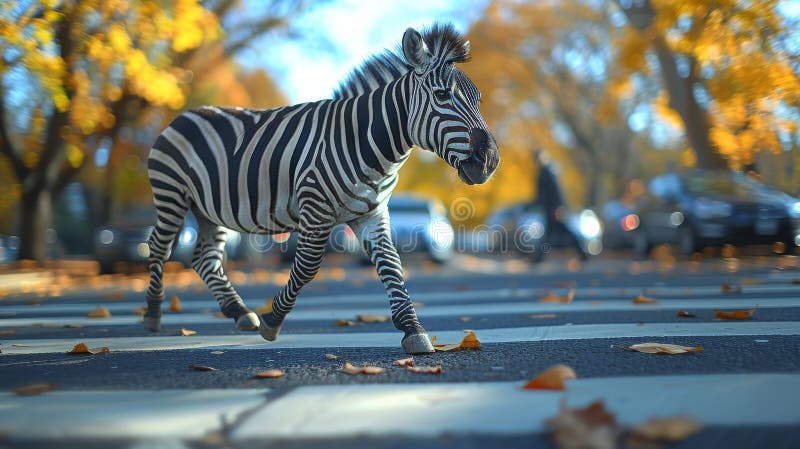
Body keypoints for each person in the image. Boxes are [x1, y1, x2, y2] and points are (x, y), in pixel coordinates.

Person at [532, 148, 588, 262]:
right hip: (550, 209)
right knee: (551, 233)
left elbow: (556, 191)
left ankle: (538, 257)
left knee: (559, 232)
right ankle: (539, 257)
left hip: (553, 209)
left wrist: (558, 208)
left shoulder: (548, 171)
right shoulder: (545, 171)